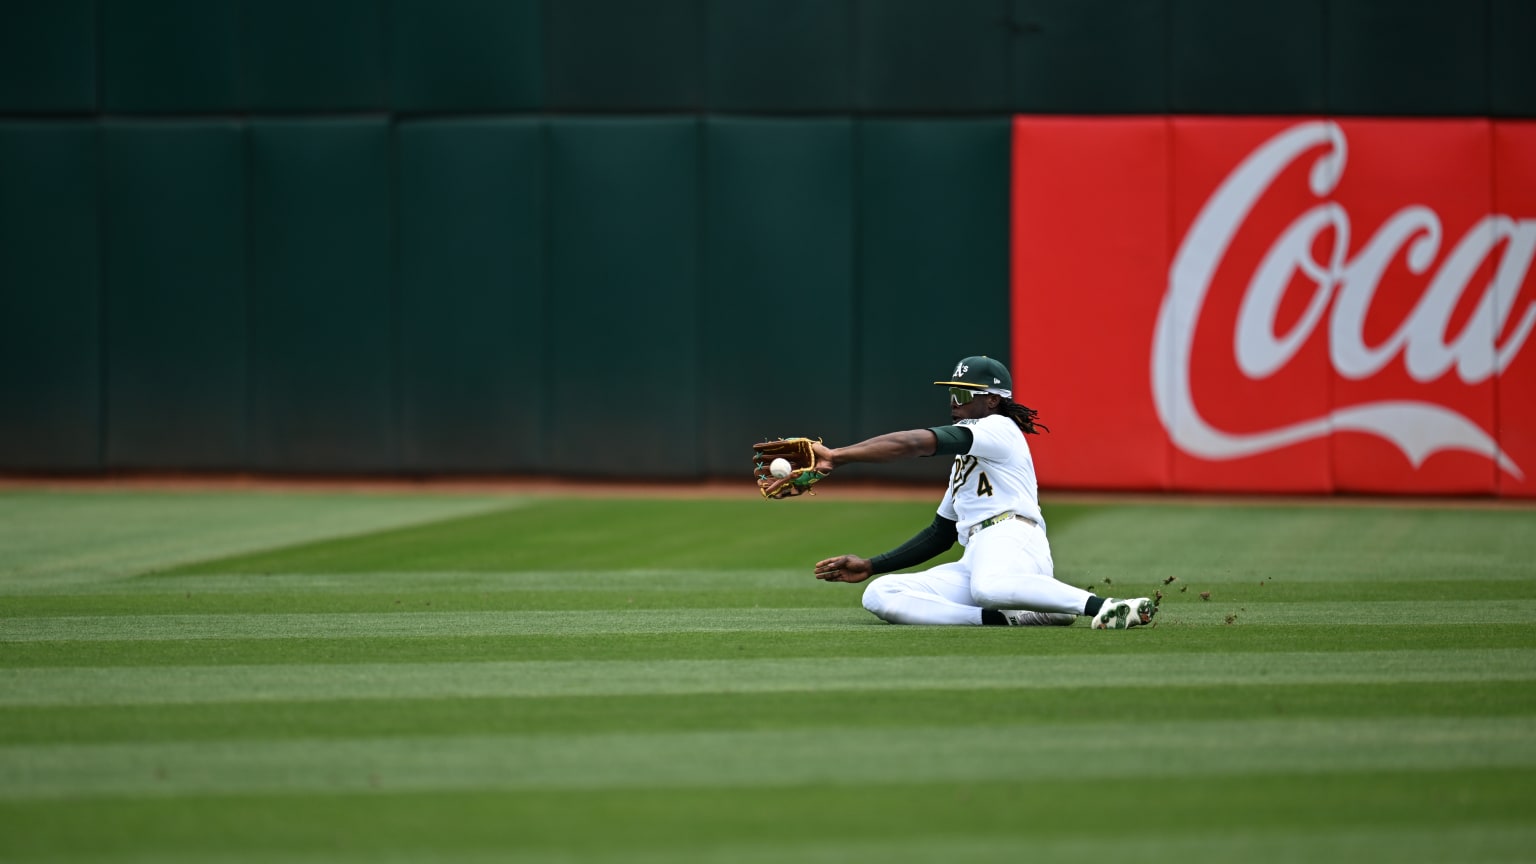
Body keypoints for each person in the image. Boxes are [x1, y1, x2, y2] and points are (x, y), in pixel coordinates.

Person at [809, 355, 1157, 630]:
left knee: (988, 588)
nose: (953, 404)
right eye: (951, 394)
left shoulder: (997, 428)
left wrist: (838, 456)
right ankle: (1009, 617)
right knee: (881, 593)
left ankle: (1108, 607)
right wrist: (871, 565)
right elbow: (939, 535)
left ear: (991, 400)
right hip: (977, 553)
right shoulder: (967, 462)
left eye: (962, 395)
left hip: (1013, 538)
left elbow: (914, 443)